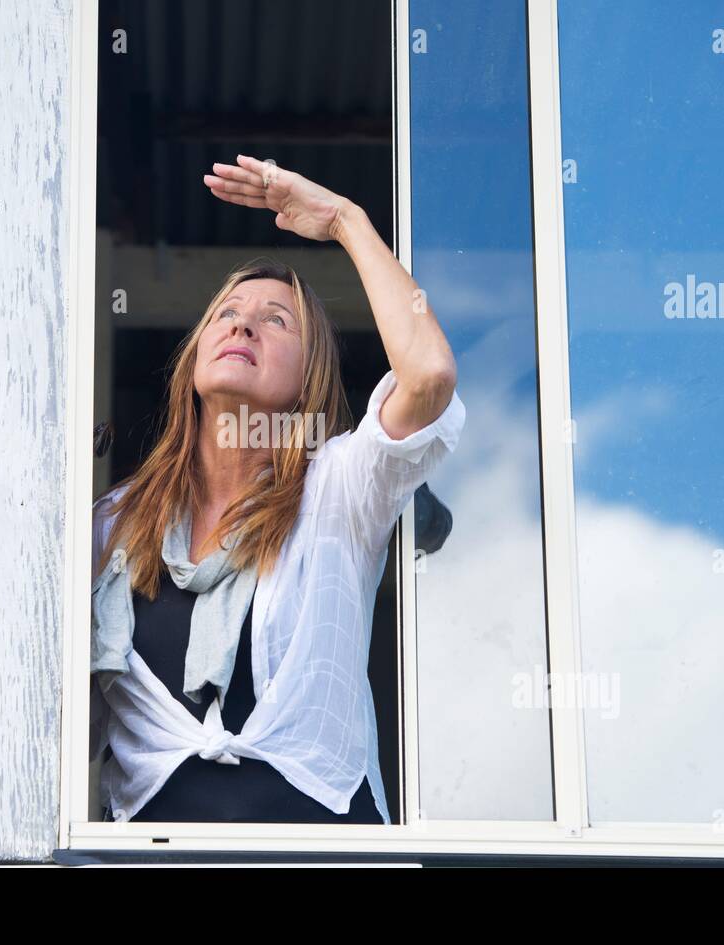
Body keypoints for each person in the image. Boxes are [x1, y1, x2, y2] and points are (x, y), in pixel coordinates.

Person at [89, 155, 465, 824]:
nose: (242, 324)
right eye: (227, 312)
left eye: (275, 320)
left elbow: (430, 374)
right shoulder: (114, 524)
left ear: (307, 379)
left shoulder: (340, 489)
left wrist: (346, 221)